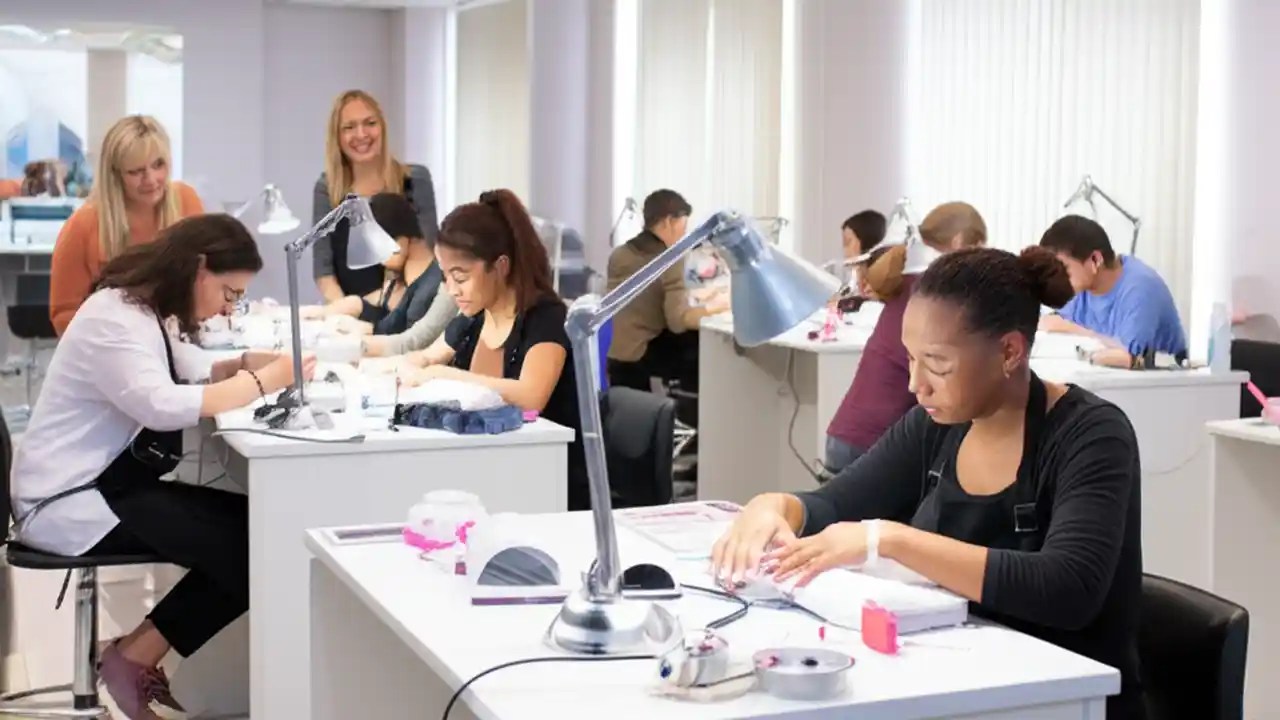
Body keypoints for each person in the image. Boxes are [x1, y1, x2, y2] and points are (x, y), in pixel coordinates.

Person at [712, 246, 1144, 718]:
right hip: (964, 680)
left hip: (1065, 699)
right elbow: (834, 506)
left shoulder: (1092, 436)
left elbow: (1067, 589)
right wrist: (773, 506)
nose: (916, 384)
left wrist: (890, 540)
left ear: (1009, 351)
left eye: (938, 364)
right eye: (911, 360)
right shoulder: (933, 427)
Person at [10, 214, 316, 720]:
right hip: (70, 503)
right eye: (229, 293)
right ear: (199, 268)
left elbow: (186, 371)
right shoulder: (113, 317)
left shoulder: (142, 309)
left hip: (106, 487)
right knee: (255, 546)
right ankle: (131, 660)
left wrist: (246, 364)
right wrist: (265, 382)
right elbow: (162, 404)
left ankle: (132, 655)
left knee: (257, 532)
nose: (228, 307)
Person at [395, 189, 588, 509]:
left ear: (500, 266)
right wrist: (406, 366)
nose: (452, 290)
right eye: (446, 278)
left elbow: (531, 395)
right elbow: (426, 357)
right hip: (490, 470)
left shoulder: (545, 317)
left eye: (461, 277)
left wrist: (443, 375)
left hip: (547, 482)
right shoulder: (473, 318)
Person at [824, 202, 987, 474]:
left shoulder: (912, 286)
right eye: (982, 249)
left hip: (847, 435)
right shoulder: (939, 296)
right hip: (872, 445)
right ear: (960, 242)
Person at [48, 115, 204, 335]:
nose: (151, 179)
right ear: (115, 175)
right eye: (136, 171)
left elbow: (206, 281)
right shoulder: (82, 227)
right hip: (111, 344)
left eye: (158, 165)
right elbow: (64, 315)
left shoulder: (187, 201)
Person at [313, 89, 439, 302]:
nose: (361, 134)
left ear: (382, 127)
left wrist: (397, 310)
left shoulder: (416, 178)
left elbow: (427, 253)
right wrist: (345, 311)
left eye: (370, 123)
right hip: (349, 311)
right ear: (337, 137)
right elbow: (323, 271)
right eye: (349, 127)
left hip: (407, 307)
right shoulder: (327, 188)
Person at [606, 189, 728, 394]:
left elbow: (646, 296)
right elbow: (677, 321)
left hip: (616, 354)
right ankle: (694, 407)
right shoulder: (668, 259)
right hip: (641, 355)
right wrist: (717, 307)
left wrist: (694, 296)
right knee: (702, 344)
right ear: (668, 222)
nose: (683, 235)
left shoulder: (620, 254)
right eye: (683, 227)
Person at [1038, 215, 1187, 368]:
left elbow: (1129, 358)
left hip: (1163, 378)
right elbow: (1050, 323)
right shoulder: (1080, 286)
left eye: (1063, 268)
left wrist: (1075, 331)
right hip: (1109, 376)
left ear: (1095, 260)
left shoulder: (1140, 289)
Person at [304, 192, 453, 338]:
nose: (379, 258)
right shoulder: (406, 281)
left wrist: (361, 336)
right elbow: (386, 324)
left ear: (400, 238)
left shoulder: (429, 288)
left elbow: (407, 341)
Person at [841, 210, 887, 298]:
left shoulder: (880, 288)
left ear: (867, 242)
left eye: (847, 242)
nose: (844, 248)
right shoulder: (852, 282)